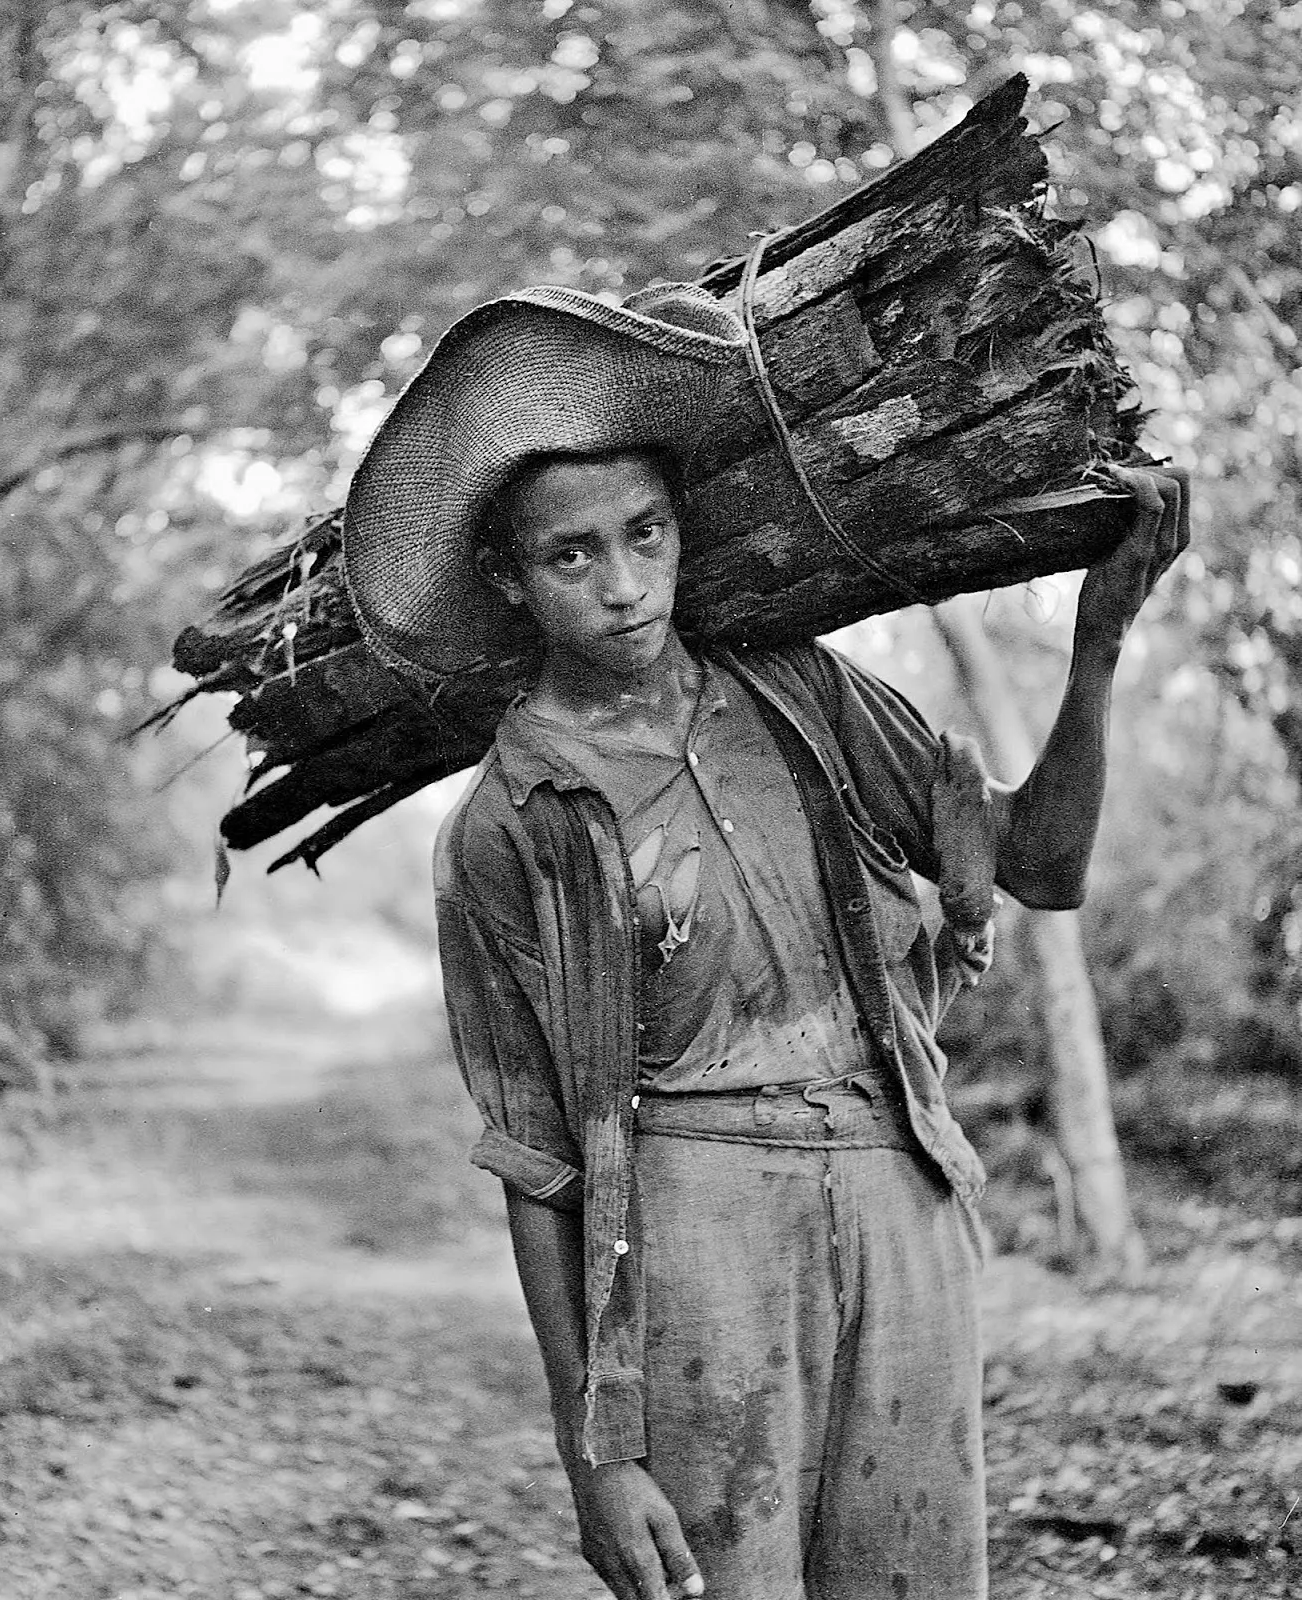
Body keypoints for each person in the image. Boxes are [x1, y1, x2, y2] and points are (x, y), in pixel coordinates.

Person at [340, 282, 1189, 1600]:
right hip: (694, 1226)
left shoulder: (802, 696)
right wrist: (594, 1461)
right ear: (509, 579)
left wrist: (1096, 647)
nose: (624, 588)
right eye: (573, 557)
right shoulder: (509, 826)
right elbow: (535, 1163)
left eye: (645, 535)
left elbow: (1038, 864)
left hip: (895, 1184)